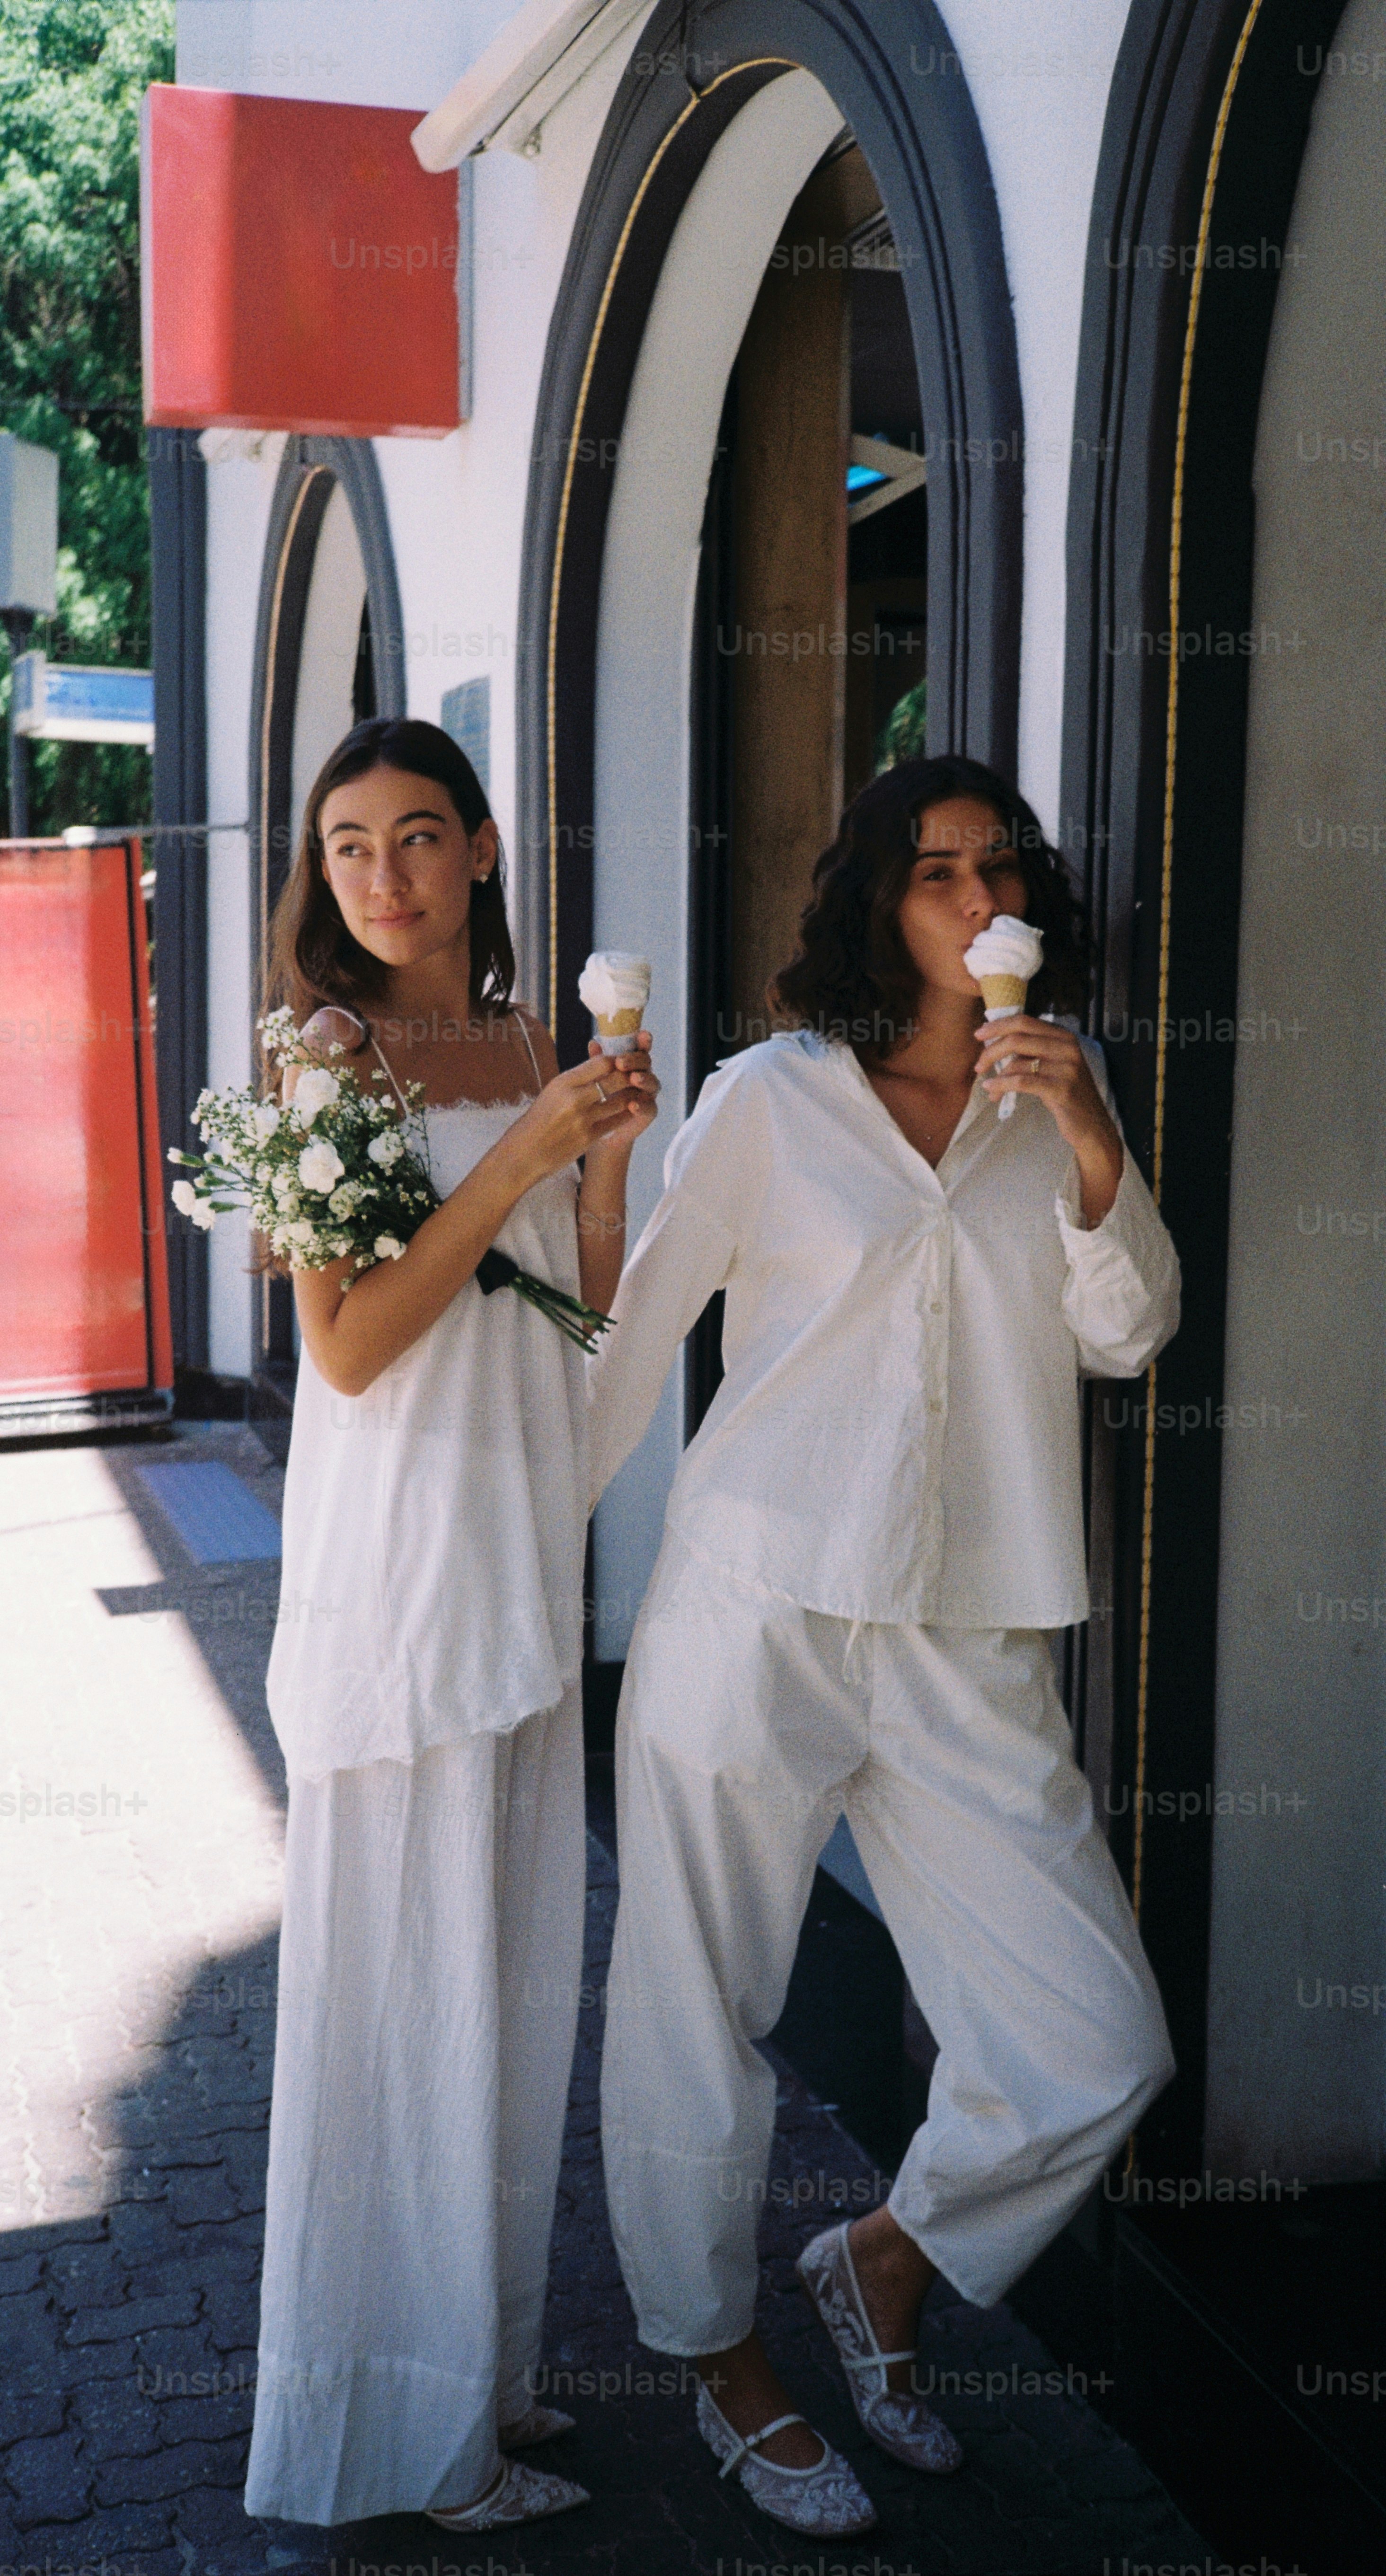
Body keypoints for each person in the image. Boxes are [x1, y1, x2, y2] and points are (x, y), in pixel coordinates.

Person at [589, 755, 1180, 2538]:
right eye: (930, 869)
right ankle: (715, 2358)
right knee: (696, 1996)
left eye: (992, 866)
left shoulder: (1045, 1100)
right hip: (749, 1599)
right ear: (875, 901)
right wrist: (511, 1559)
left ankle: (879, 2260)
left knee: (1094, 2037)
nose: (967, 891)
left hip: (970, 1625)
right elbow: (638, 1326)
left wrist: (1086, 1137)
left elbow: (1128, 1327)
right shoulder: (770, 1096)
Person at [243, 717, 659, 2532]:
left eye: (418, 835)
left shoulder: (508, 1042)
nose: (384, 872)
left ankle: (476, 2378)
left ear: (482, 849)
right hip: (398, 1565)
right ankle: (393, 2437)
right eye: (347, 844)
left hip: (510, 1544)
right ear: (319, 872)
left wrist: (602, 1158)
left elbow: (568, 1329)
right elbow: (341, 1347)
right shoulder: (323, 1056)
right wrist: (521, 1158)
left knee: (498, 1990)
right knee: (404, 1997)